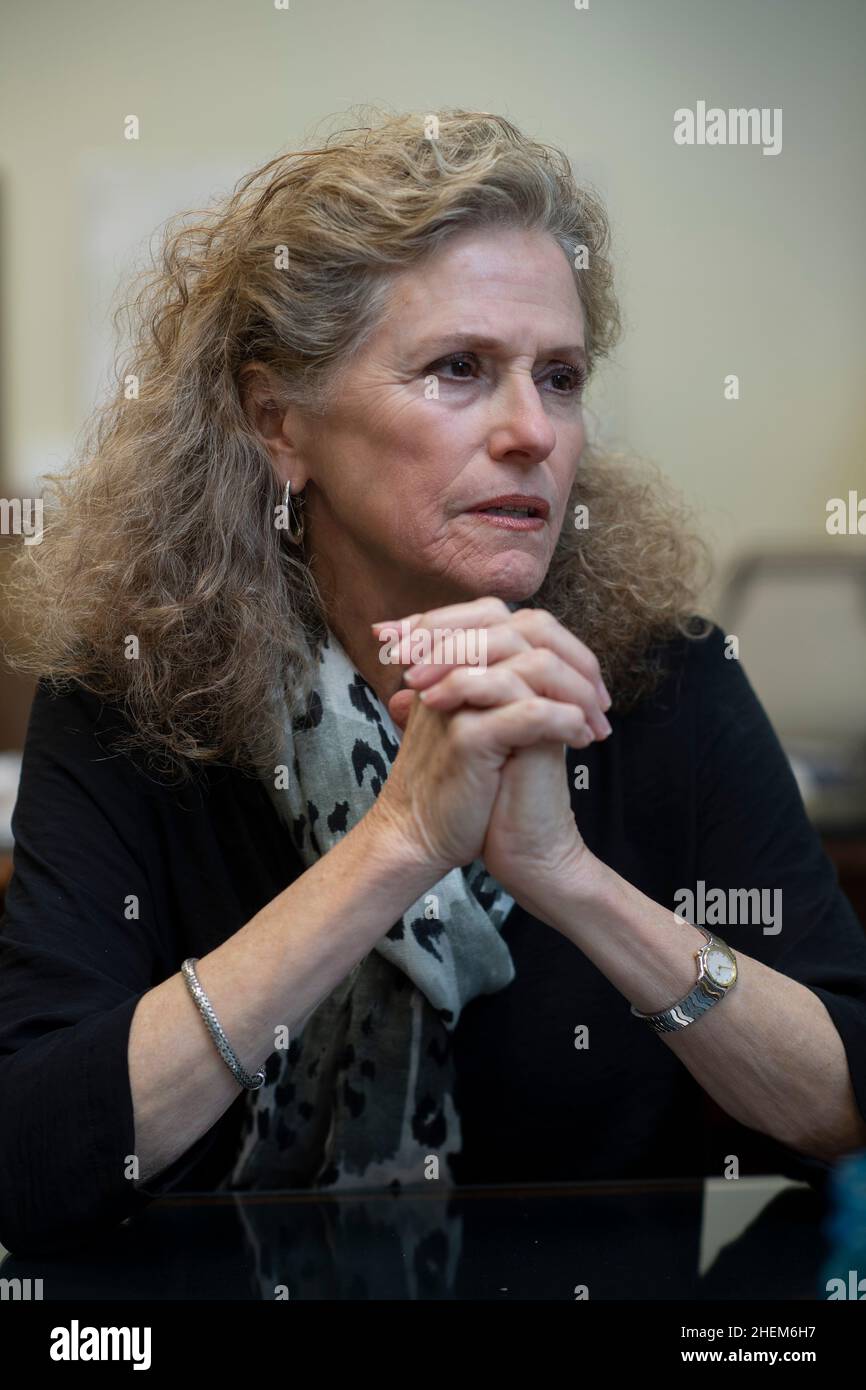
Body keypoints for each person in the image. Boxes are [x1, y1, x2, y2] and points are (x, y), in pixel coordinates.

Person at [1, 106, 865, 1259]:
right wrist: (398, 840)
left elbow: (837, 1103)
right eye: (459, 369)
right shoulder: (129, 705)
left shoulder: (666, 682)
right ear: (278, 424)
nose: (531, 433)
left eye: (557, 378)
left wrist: (571, 881)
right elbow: (35, 1156)